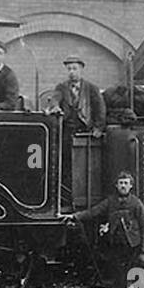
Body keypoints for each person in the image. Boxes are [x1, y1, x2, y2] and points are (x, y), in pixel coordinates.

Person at [68, 171, 144, 288]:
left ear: (131, 186)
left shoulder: (136, 204)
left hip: (133, 249)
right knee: (119, 285)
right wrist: (75, 216)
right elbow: (93, 212)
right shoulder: (110, 202)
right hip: (117, 250)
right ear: (116, 185)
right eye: (121, 183)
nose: (123, 186)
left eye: (126, 183)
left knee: (137, 282)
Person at [45, 55, 107, 205]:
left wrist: (98, 128)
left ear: (81, 69)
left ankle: (84, 199)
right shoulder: (61, 87)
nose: (72, 72)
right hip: (67, 133)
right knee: (66, 165)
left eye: (75, 68)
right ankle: (67, 199)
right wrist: (55, 107)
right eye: (69, 69)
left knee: (85, 167)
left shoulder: (91, 88)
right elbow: (55, 99)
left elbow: (100, 109)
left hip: (86, 133)